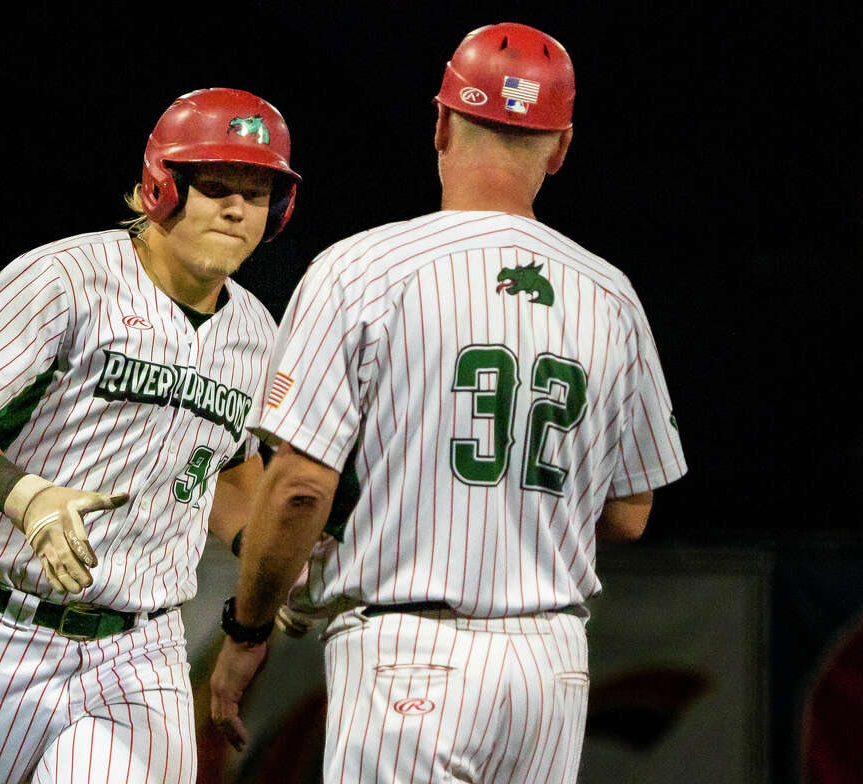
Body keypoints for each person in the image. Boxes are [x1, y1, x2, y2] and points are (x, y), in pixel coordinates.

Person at [209, 23, 687, 784]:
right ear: (559, 147)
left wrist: (248, 627)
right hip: (551, 664)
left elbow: (300, 485)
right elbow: (631, 514)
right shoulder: (612, 295)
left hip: (411, 654)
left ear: (440, 122)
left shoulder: (361, 270)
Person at [0, 87, 300, 784]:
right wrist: (25, 497)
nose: (237, 208)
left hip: (140, 651)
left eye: (257, 194)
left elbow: (226, 472)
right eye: (218, 186)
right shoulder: (69, 276)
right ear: (162, 187)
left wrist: (284, 557)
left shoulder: (258, 329)